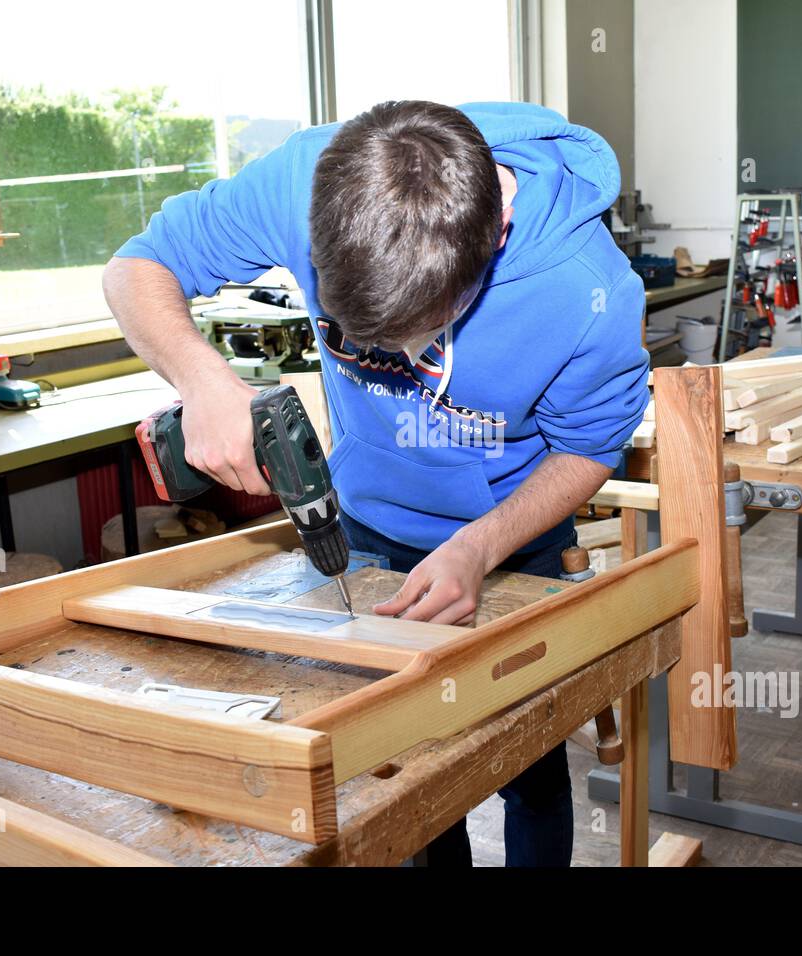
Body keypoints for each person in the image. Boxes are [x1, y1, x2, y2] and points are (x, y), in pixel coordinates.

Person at [104, 100, 648, 866]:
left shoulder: (588, 290)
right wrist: (204, 381)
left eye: (411, 330)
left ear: (494, 240)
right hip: (362, 530)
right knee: (408, 761)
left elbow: (591, 448)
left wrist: (480, 547)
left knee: (526, 759)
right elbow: (135, 266)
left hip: (508, 538)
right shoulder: (307, 174)